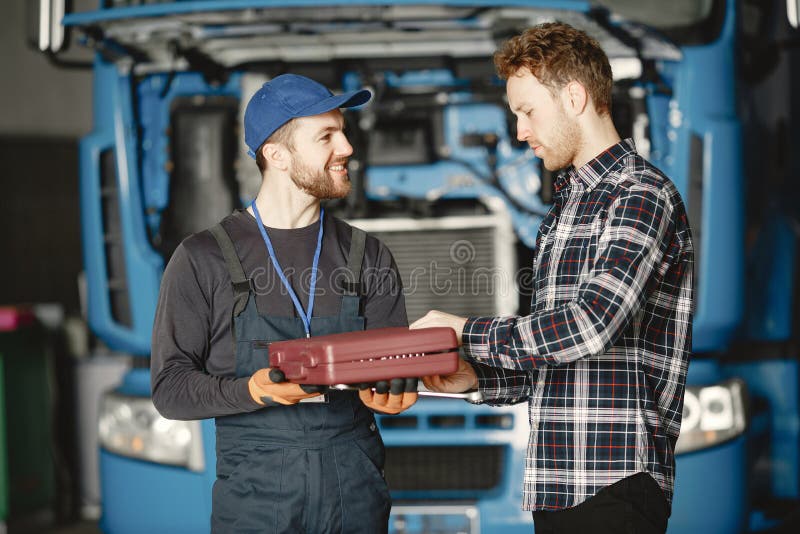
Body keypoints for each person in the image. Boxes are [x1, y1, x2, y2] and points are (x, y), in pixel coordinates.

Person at [411, 22, 694, 534]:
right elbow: (558, 358)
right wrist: (478, 378)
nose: (519, 131)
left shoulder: (640, 195)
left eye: (527, 111)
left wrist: (464, 331)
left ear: (575, 96)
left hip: (614, 479)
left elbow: (591, 327)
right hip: (558, 481)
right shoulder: (564, 210)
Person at [151, 73, 418, 534]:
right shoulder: (203, 258)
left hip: (352, 489)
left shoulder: (366, 255)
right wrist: (251, 391)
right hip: (256, 496)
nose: (348, 148)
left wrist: (398, 389)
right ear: (276, 155)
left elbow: (396, 367)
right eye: (326, 136)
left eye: (344, 131)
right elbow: (170, 389)